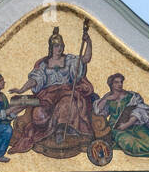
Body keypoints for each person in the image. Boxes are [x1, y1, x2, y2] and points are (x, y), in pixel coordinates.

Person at [8, 22, 97, 155]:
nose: (59, 49)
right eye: (56, 46)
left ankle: (62, 129)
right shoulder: (44, 64)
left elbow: (85, 58)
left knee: (66, 104)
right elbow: (35, 80)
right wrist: (21, 90)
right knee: (38, 113)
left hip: (66, 92)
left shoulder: (70, 60)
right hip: (48, 95)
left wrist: (88, 42)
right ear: (51, 47)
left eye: (61, 46)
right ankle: (46, 130)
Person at [94, 73, 149, 156]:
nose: (120, 84)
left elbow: (140, 111)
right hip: (117, 128)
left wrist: (127, 124)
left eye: (121, 82)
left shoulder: (132, 97)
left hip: (134, 125)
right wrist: (106, 99)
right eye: (116, 82)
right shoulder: (108, 97)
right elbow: (98, 112)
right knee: (130, 144)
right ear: (111, 84)